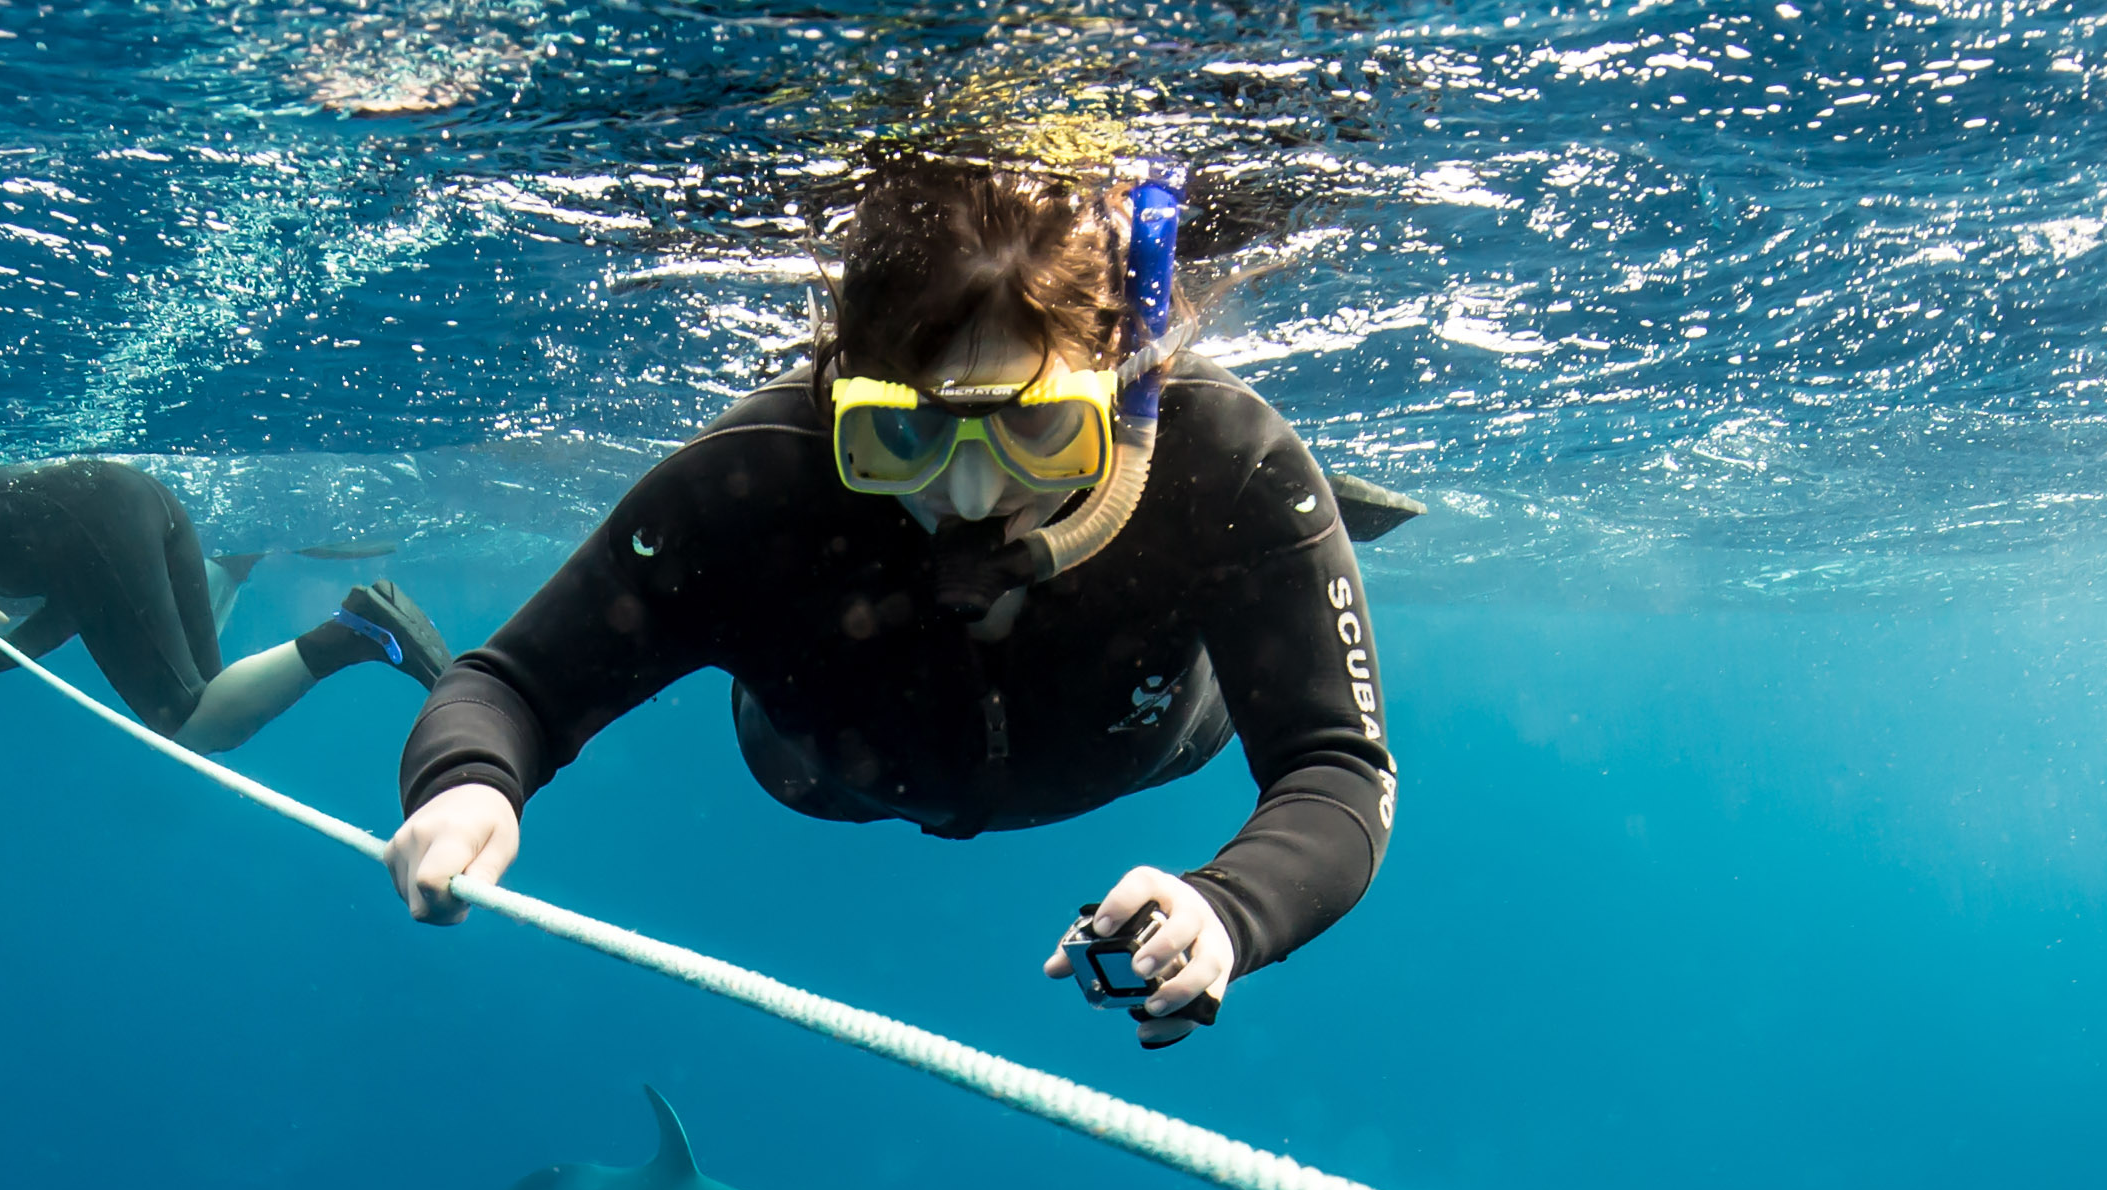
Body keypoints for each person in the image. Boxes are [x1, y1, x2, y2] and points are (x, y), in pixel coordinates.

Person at [384, 155, 1416, 1043]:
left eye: (1039, 429)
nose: (971, 497)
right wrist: (471, 781)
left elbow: (1335, 766)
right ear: (843, 394)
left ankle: (1301, 533)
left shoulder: (1220, 461)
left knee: (1264, 512)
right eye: (905, 435)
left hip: (1153, 736)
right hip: (828, 773)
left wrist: (1231, 912)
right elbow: (511, 687)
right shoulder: (754, 480)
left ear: (1123, 394)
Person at [0, 458, 451, 758]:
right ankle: (354, 627)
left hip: (93, 523)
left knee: (186, 727)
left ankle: (357, 630)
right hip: (131, 499)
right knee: (213, 704)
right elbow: (82, 603)